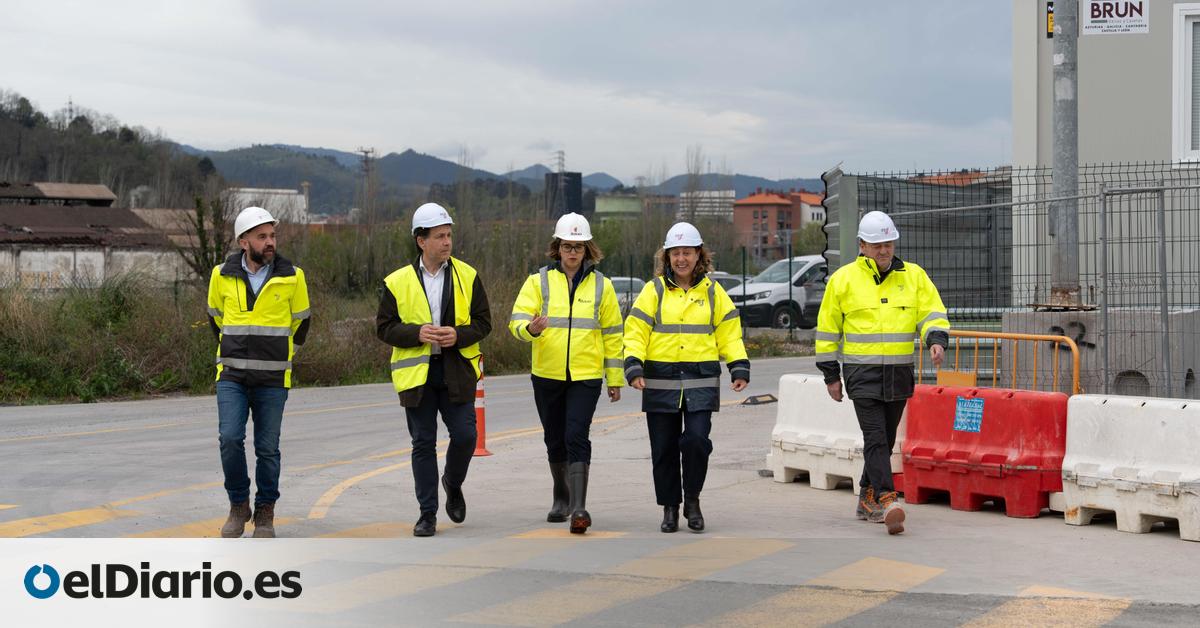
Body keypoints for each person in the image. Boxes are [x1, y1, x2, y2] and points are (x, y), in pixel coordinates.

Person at [815, 210, 949, 535]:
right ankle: (888, 500)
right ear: (862, 246)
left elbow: (932, 312)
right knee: (874, 438)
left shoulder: (914, 276)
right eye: (877, 245)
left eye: (888, 244)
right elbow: (827, 329)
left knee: (885, 441)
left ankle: (866, 497)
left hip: (899, 373)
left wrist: (936, 339)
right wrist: (831, 375)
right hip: (862, 374)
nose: (884, 250)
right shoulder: (843, 280)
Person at [623, 222, 749, 533]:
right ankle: (670, 508)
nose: (681, 259)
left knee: (696, 441)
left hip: (700, 381)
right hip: (660, 381)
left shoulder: (714, 292)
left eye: (687, 253)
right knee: (663, 448)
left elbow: (729, 332)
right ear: (667, 256)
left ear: (698, 255)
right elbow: (636, 331)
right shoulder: (653, 291)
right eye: (676, 253)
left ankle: (692, 499)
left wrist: (738, 366)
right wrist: (633, 366)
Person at [376, 202, 491, 537]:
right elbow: (384, 328)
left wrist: (458, 335)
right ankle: (427, 514)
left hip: (457, 371)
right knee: (423, 444)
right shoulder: (397, 281)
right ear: (421, 240)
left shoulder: (468, 275)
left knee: (466, 436)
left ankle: (452, 483)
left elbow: (484, 323)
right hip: (418, 376)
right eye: (439, 236)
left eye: (449, 235)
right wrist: (417, 333)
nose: (447, 242)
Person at [509, 212, 625, 534]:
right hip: (547, 374)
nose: (572, 252)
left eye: (578, 246)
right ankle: (561, 494)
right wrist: (530, 329)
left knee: (577, 435)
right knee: (554, 438)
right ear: (557, 248)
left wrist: (614, 379)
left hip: (586, 376)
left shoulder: (603, 286)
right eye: (567, 246)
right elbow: (516, 321)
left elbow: (613, 335)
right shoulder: (538, 282)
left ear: (587, 249)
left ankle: (578, 507)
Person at [207, 206, 311, 539]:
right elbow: (215, 318)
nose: (270, 242)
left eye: (272, 236)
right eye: (262, 236)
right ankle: (239, 505)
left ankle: (265, 510)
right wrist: (233, 349)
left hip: (273, 379)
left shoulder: (293, 276)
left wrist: (282, 353)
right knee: (230, 439)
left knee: (267, 449)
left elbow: (302, 322)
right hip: (232, 376)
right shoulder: (220, 275)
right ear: (243, 241)